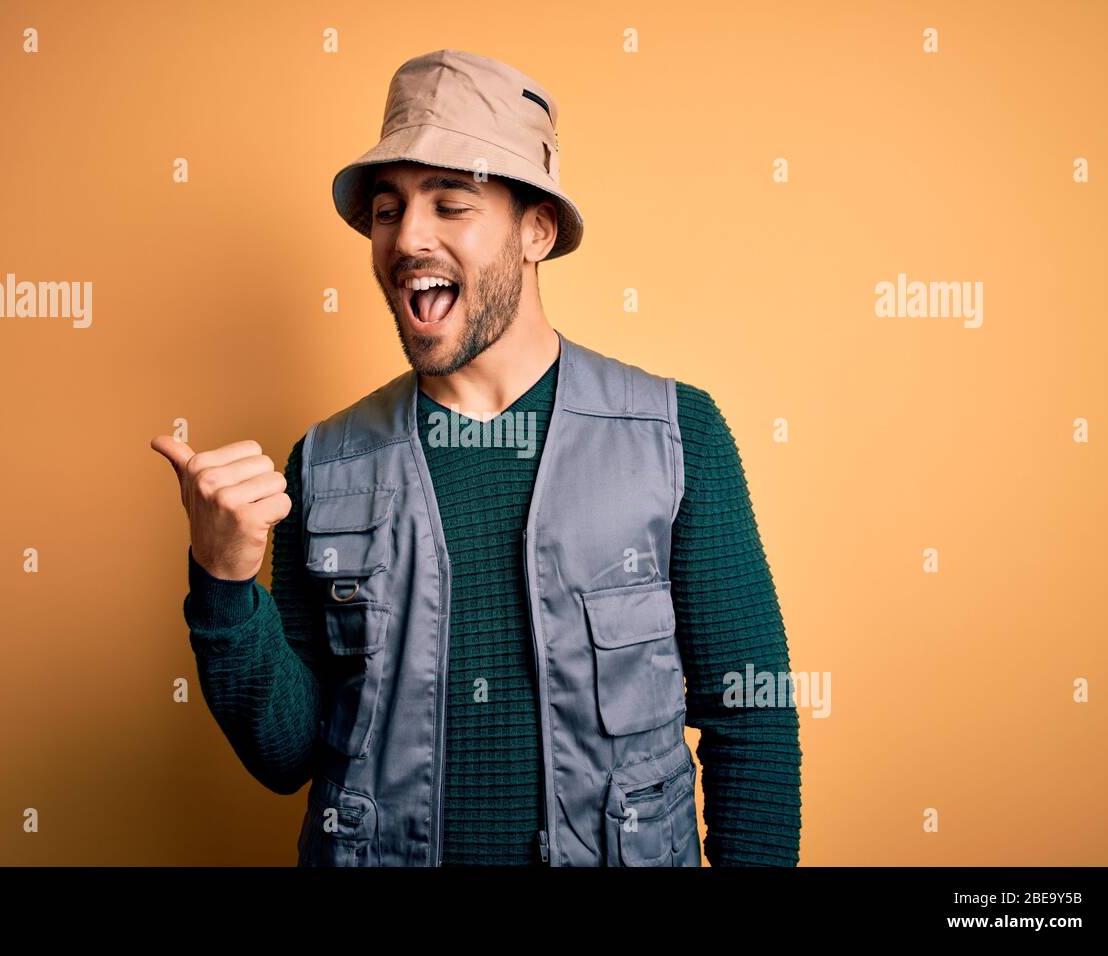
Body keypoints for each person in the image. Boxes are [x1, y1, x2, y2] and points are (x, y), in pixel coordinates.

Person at [151, 48, 801, 867]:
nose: (406, 237)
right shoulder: (324, 462)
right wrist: (222, 582)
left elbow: (752, 719)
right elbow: (287, 756)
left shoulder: (676, 435)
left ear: (537, 230)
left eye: (450, 204)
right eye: (388, 210)